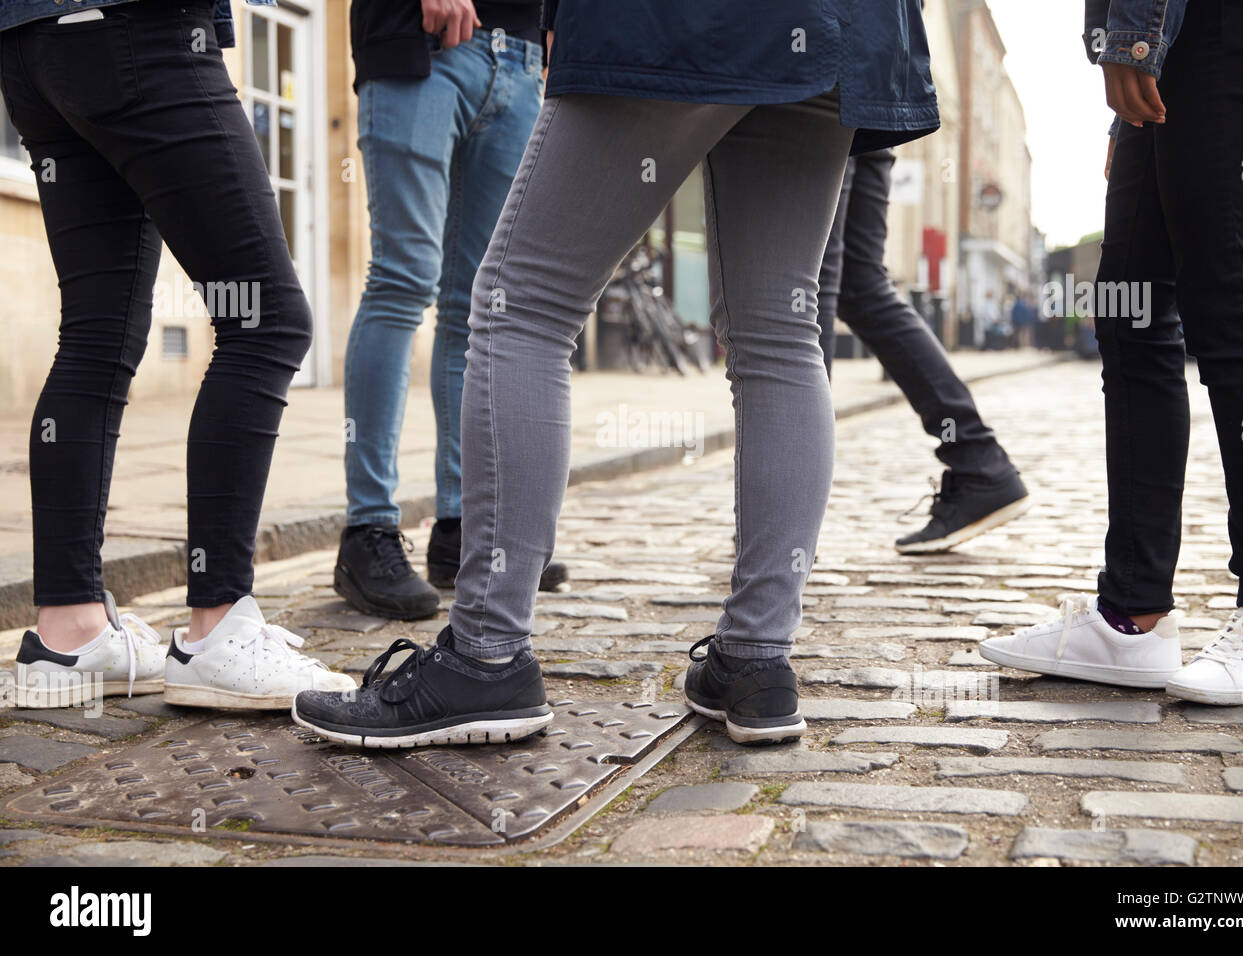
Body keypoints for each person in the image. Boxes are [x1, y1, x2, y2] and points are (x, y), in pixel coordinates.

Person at [292, 0, 941, 747]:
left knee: (521, 304)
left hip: (693, 24)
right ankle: (758, 660)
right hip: (848, 24)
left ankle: (485, 655)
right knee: (780, 336)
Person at [2, 0, 354, 709]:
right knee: (265, 320)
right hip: (141, 30)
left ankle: (68, 636)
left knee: (95, 336)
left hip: (30, 45)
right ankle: (217, 628)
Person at [981, 0, 1243, 706]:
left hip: (1224, 23)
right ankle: (1132, 615)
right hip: (1172, 35)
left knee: (1226, 302)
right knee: (1129, 314)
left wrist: (1131, 34)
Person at [333, 0, 568, 622]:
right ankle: (368, 531)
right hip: (420, 42)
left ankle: (462, 527)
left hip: (518, 60)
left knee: (480, 306)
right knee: (401, 282)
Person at [816, 151, 1030, 554]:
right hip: (875, 110)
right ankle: (978, 460)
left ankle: (781, 513)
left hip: (822, 103)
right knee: (857, 285)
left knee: (810, 284)